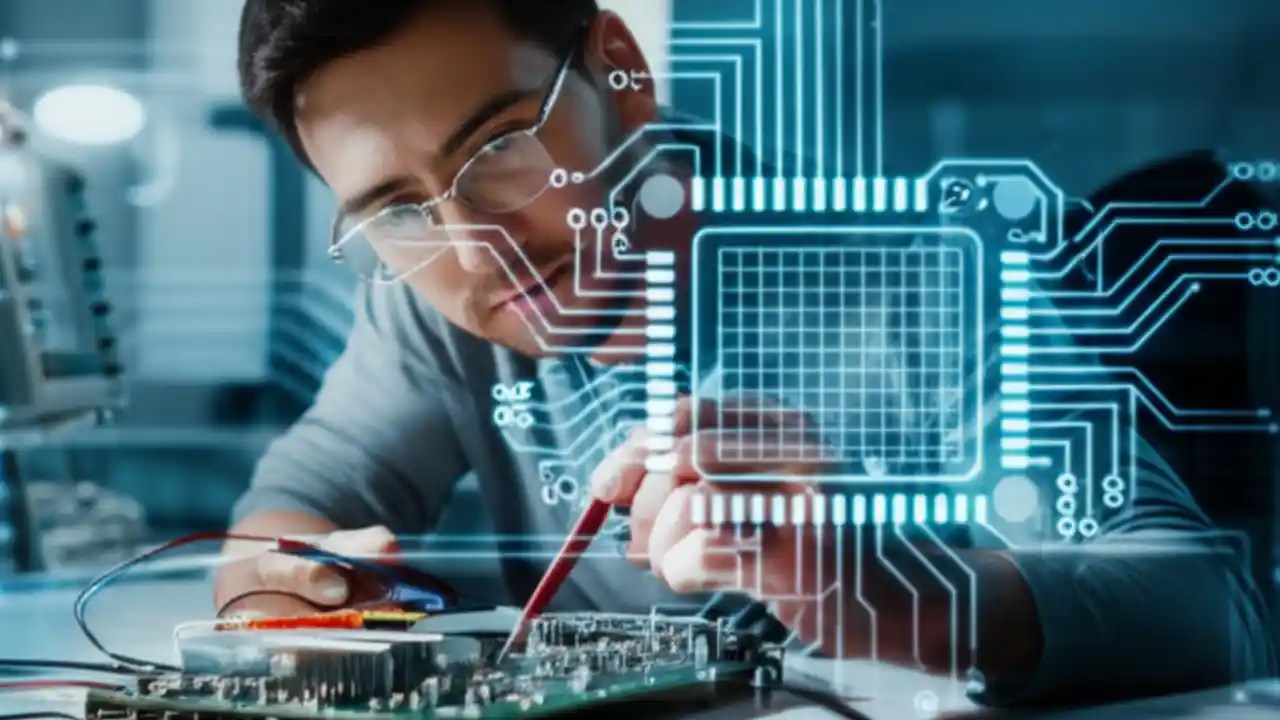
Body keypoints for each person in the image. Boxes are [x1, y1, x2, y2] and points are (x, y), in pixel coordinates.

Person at [218, 0, 1275, 706]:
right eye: (396, 210)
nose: (472, 245)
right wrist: (273, 603)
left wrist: (889, 594)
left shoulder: (920, 275)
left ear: (619, 72)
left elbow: (1213, 613)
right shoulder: (433, 303)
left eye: (500, 149)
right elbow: (298, 496)